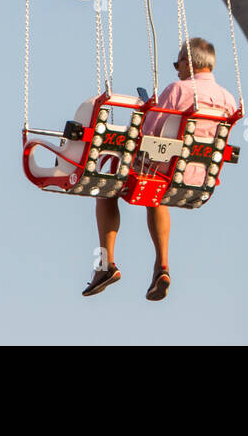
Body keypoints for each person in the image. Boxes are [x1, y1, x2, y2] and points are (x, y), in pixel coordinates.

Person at [83, 38, 238, 302]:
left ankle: (106, 264)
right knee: (156, 191)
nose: (176, 68)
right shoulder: (229, 100)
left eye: (178, 63)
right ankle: (161, 266)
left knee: (106, 181)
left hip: (164, 168)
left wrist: (146, 113)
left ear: (189, 62)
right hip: (199, 177)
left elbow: (149, 133)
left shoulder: (177, 90)